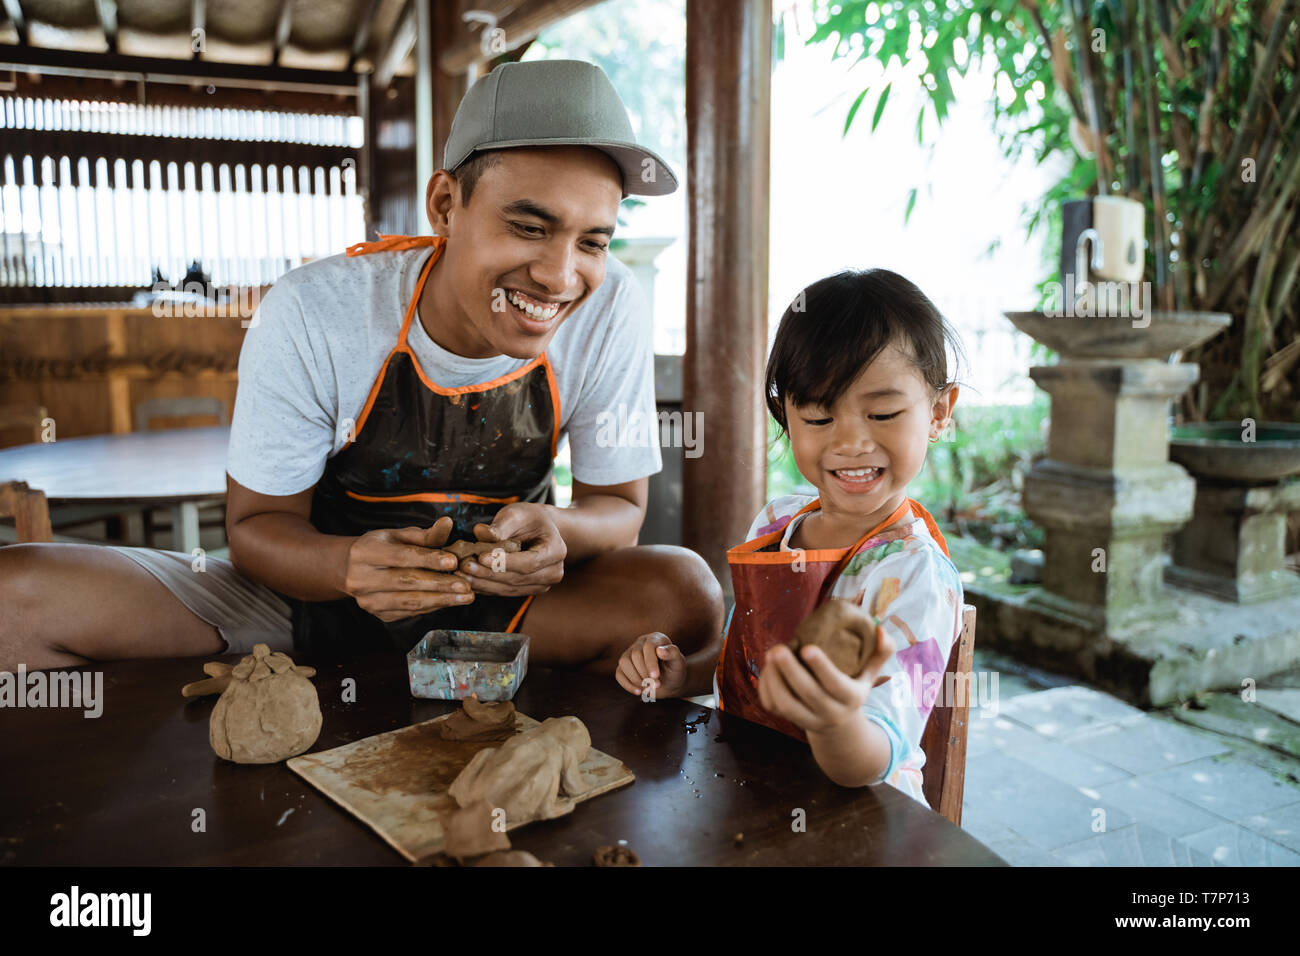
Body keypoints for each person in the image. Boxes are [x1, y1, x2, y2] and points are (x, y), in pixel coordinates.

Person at [0, 60, 723, 674]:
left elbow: (620, 511)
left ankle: (469, 685)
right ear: (447, 204)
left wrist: (562, 531)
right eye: (528, 227)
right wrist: (348, 567)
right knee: (15, 596)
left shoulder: (609, 303)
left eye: (592, 241)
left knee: (686, 591)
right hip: (306, 610)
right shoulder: (318, 310)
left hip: (507, 612)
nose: (561, 276)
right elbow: (255, 528)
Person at [615, 269, 964, 806]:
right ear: (786, 415)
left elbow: (874, 758)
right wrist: (686, 671)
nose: (850, 441)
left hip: (856, 821)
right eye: (820, 416)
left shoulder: (915, 574)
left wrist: (833, 718)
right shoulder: (778, 523)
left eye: (883, 413)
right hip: (747, 794)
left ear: (938, 412)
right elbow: (751, 658)